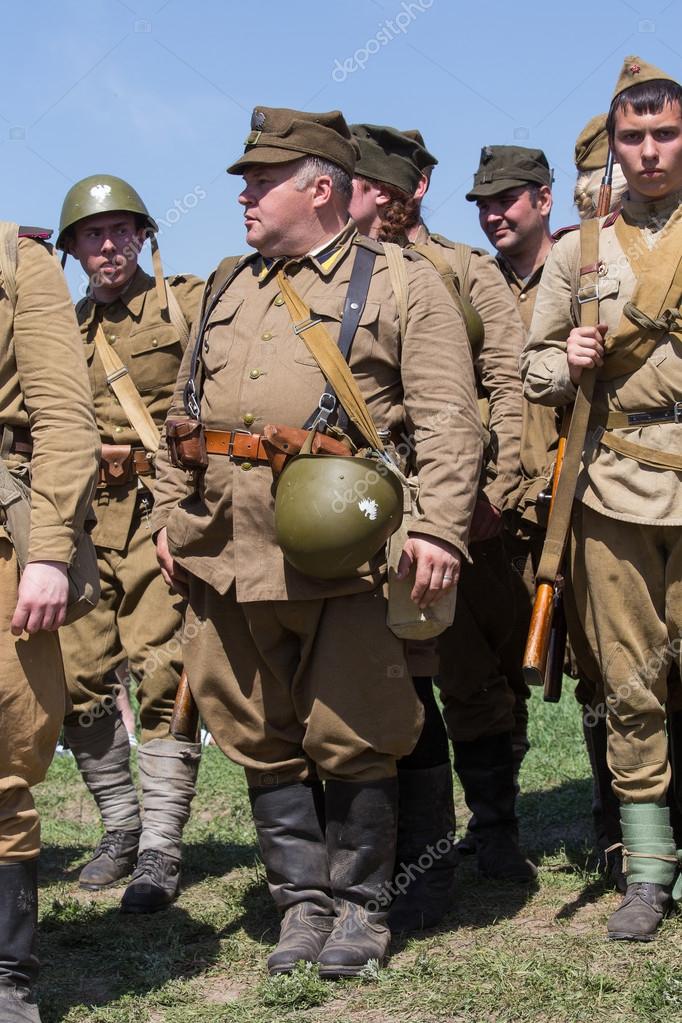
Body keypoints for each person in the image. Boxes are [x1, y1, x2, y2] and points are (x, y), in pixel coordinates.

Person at [152, 106, 482, 976]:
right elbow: (181, 417)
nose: (245, 196)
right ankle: (301, 907)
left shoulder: (405, 282)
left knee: (356, 731)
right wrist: (166, 515)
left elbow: (452, 421)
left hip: (343, 552)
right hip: (225, 549)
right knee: (258, 729)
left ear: (322, 187)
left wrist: (441, 526)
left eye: (262, 181)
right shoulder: (227, 281)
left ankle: (362, 912)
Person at [349, 123, 535, 930]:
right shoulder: (348, 275)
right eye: (368, 190)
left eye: (387, 192)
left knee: (473, 672)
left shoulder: (469, 273)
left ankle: (496, 826)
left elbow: (510, 383)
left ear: (410, 192)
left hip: (467, 507)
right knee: (400, 678)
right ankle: (410, 842)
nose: (376, 206)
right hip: (378, 509)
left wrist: (490, 492)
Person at [521, 55, 682, 941]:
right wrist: (568, 364)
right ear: (614, 149)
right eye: (634, 138)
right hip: (613, 486)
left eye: (664, 134)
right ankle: (648, 870)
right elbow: (530, 364)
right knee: (629, 682)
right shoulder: (579, 252)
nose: (649, 151)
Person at [56, 176, 205, 912]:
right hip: (83, 516)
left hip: (157, 506)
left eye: (121, 231)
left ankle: (159, 847)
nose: (108, 245)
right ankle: (119, 824)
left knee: (162, 668)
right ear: (73, 248)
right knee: (75, 678)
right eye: (92, 234)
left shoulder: (189, 302)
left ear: (145, 235)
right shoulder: (61, 328)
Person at [0, 222, 99, 1020]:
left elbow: (65, 419)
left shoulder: (17, 261)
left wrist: (49, 551)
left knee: (2, 761)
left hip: (3, 537)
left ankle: (7, 976)